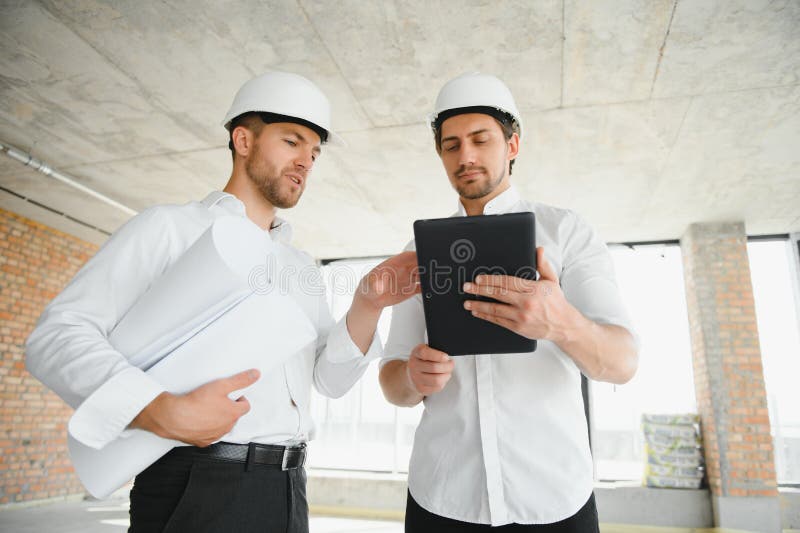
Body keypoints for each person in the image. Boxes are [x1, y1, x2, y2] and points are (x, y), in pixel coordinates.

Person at [26, 71, 419, 533]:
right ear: (243, 140)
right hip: (195, 483)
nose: (305, 162)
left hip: (289, 488)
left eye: (314, 153)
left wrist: (368, 305)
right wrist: (158, 408)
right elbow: (56, 335)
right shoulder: (168, 229)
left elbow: (327, 381)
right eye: (292, 142)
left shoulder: (299, 266)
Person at [379, 72, 639, 532]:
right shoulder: (416, 252)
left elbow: (621, 364)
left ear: (513, 145)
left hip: (554, 498)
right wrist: (413, 376)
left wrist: (560, 323)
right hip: (442, 497)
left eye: (481, 139)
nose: (467, 156)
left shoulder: (566, 232)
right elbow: (393, 382)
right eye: (451, 145)